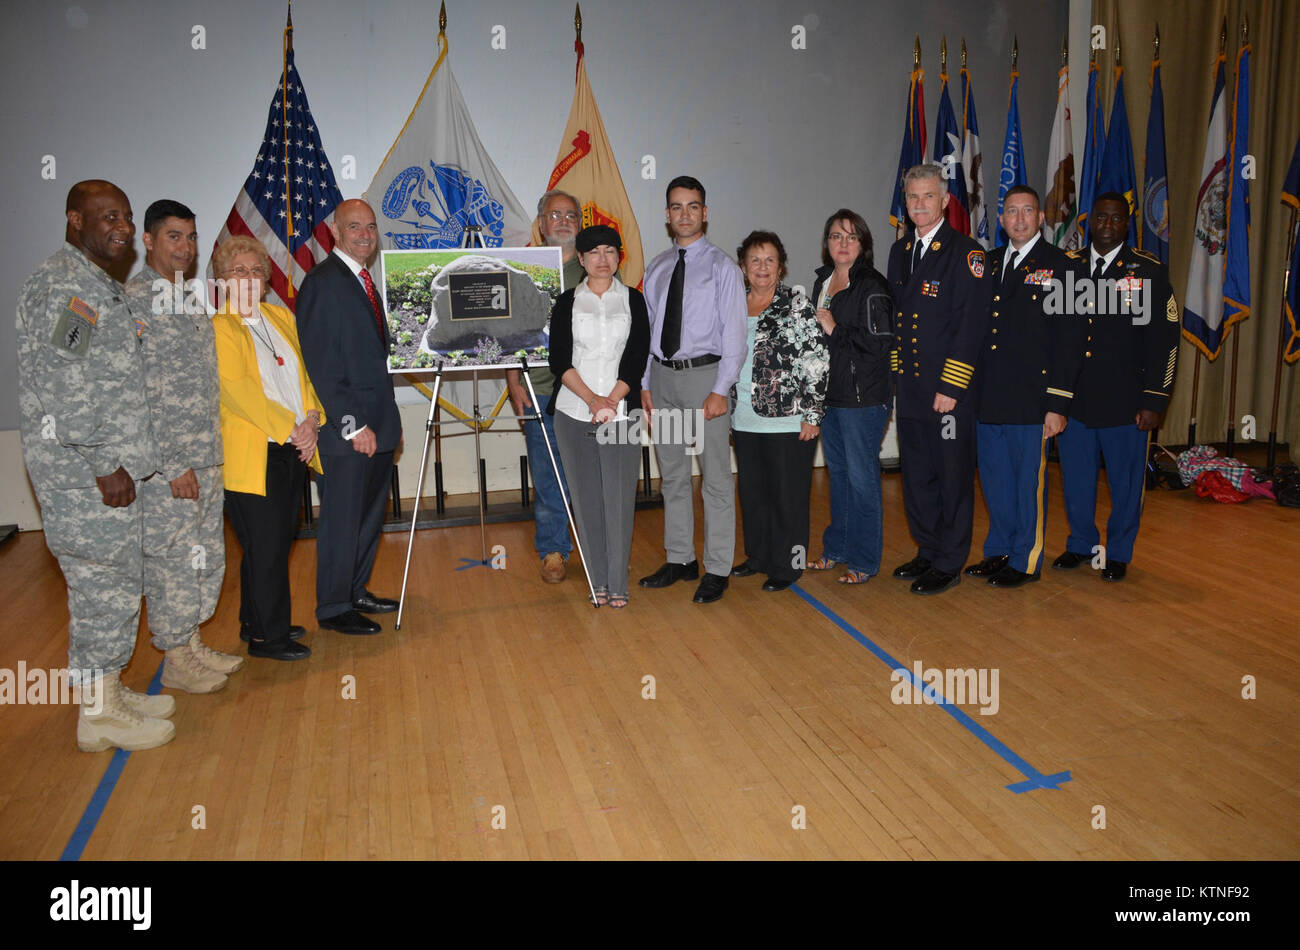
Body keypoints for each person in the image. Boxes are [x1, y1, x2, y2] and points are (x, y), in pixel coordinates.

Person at [17, 179, 174, 751]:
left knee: (112, 583)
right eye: (108, 216)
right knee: (102, 585)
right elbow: (66, 387)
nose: (124, 228)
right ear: (74, 220)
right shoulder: (68, 290)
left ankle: (107, 691)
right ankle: (99, 716)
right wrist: (106, 465)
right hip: (84, 476)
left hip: (103, 470)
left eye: (128, 217)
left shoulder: (92, 286)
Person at [125, 200, 238, 692]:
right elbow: (139, 392)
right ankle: (174, 656)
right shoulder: (135, 300)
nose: (185, 248)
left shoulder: (187, 298)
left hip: (206, 455)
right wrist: (170, 465)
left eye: (190, 237)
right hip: (170, 466)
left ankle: (189, 643)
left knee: (205, 556)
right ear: (148, 240)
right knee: (173, 558)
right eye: (173, 236)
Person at [1051, 192, 1180, 582]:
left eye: (1116, 219)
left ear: (1128, 224)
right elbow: (1054, 335)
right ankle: (1081, 544)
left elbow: (1166, 340)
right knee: (1075, 479)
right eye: (1101, 218)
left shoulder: (1148, 270)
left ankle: (1119, 551)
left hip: (1126, 401)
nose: (1108, 225)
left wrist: (1155, 399)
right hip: (1075, 400)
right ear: (1091, 222)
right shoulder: (1067, 267)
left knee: (1125, 482)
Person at [638, 176, 747, 604]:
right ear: (667, 215)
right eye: (677, 207)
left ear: (705, 212)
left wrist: (722, 389)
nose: (685, 214)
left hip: (707, 379)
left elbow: (735, 336)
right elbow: (648, 330)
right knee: (674, 476)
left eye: (693, 206)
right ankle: (681, 558)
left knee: (716, 479)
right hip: (662, 378)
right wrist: (647, 383)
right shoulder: (658, 267)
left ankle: (717, 566)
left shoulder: (722, 267)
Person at [296, 199, 402, 635]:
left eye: (371, 227)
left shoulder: (363, 281)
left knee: (367, 516)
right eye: (354, 226)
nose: (365, 234)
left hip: (379, 425)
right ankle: (335, 608)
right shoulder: (324, 282)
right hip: (349, 430)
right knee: (342, 520)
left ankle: (356, 589)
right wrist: (353, 425)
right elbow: (321, 364)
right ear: (334, 233)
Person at [212, 236, 321, 660]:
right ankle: (268, 639)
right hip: (255, 452)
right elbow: (237, 391)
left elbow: (306, 376)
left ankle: (255, 622)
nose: (249, 278)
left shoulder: (280, 317)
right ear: (222, 280)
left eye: (256, 271)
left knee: (270, 544)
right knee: (267, 547)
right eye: (239, 271)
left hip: (295, 445)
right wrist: (293, 428)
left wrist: (312, 419)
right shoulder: (219, 327)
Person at [886, 163, 990, 594]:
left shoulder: (966, 253)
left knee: (951, 477)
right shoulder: (900, 251)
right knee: (917, 476)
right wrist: (895, 377)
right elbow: (898, 320)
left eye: (929, 196)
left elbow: (971, 327)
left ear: (945, 201)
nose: (919, 205)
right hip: (910, 387)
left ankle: (949, 560)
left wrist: (952, 387)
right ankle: (928, 549)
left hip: (947, 392)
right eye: (912, 197)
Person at [966, 185, 1073, 588]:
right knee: (994, 480)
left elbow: (1070, 339)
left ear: (1041, 218)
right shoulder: (988, 263)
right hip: (989, 396)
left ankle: (1026, 559)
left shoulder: (1060, 265)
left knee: (1028, 483)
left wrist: (1058, 403)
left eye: (1028, 211)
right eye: (1012, 211)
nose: (1020, 219)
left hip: (1033, 400)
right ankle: (999, 551)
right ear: (1002, 218)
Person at [548, 225, 651, 607]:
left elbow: (637, 357)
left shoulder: (634, 300)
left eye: (610, 251)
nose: (602, 259)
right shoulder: (566, 303)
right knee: (586, 498)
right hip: (574, 411)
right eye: (594, 252)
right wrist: (594, 401)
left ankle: (617, 582)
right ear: (581, 259)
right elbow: (559, 359)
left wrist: (612, 400)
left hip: (622, 412)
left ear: (618, 257)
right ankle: (597, 581)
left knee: (620, 499)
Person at [729, 230, 829, 592]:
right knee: (754, 494)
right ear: (743, 266)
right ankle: (758, 557)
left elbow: (817, 359)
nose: (762, 267)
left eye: (770, 260)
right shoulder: (734, 304)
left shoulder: (796, 304)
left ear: (781, 266)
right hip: (744, 417)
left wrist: (812, 414)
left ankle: (789, 565)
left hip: (789, 419)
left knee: (789, 498)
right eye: (755, 260)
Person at [806, 210, 895, 585]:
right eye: (835, 236)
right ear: (827, 244)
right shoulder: (823, 280)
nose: (842, 243)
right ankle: (837, 549)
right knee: (838, 476)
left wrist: (835, 328)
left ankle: (864, 559)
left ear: (863, 244)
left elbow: (879, 344)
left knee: (862, 480)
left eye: (850, 236)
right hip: (831, 396)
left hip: (864, 399)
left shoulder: (873, 285)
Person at [505, 190, 581, 583]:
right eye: (555, 215)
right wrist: (513, 382)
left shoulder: (595, 267)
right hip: (539, 389)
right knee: (549, 474)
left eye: (571, 215)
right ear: (541, 223)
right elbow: (510, 330)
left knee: (588, 474)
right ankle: (554, 550)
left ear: (580, 225)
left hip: (588, 393)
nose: (563, 221)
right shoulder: (524, 268)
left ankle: (596, 545)